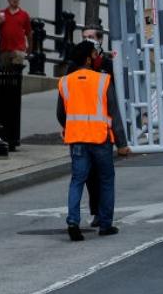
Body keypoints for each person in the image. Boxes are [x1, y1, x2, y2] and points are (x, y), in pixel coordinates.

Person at [56, 41, 130, 241]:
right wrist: (122, 143)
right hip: (100, 139)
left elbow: (61, 114)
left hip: (77, 140)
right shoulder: (103, 81)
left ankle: (73, 221)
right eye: (94, 54)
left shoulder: (64, 82)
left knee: (77, 180)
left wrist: (71, 126)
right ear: (88, 58)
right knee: (106, 180)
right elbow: (113, 113)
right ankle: (105, 224)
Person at [0, 0, 32, 72]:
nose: (14, 0)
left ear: (19, 0)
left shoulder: (24, 14)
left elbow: (29, 33)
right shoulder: (2, 13)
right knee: (5, 74)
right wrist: (0, 21)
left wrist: (30, 48)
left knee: (16, 72)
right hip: (4, 48)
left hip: (18, 49)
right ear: (8, 0)